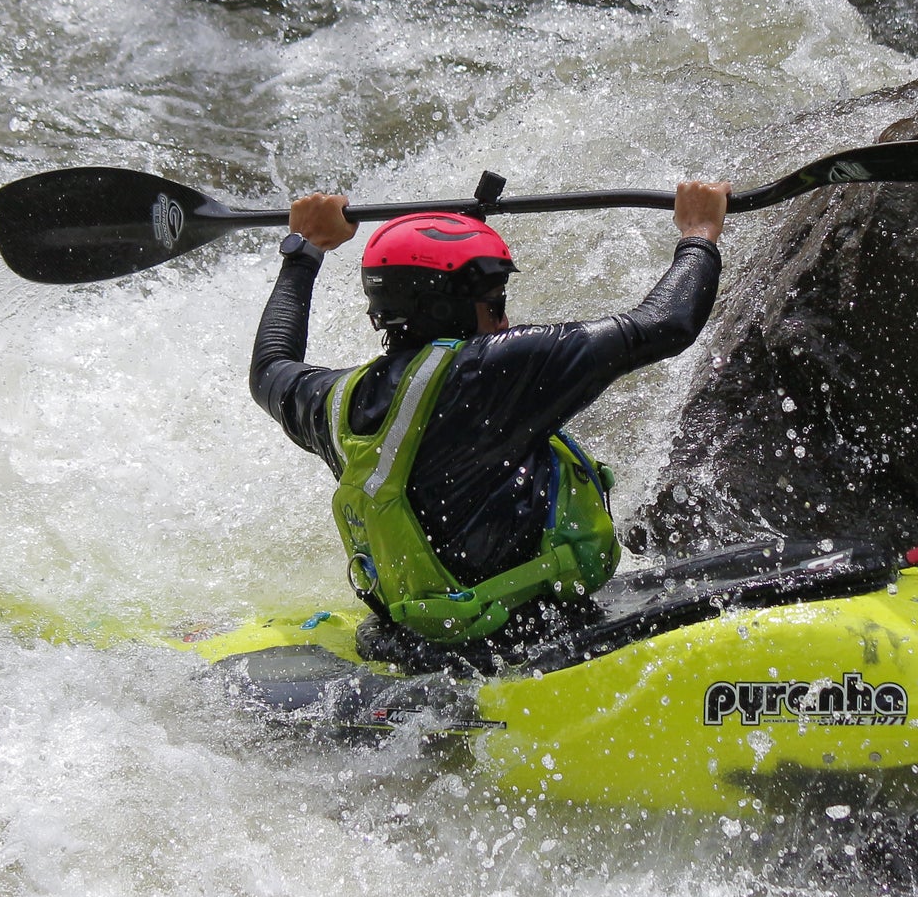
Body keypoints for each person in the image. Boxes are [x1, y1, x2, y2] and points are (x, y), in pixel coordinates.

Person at [249, 181, 731, 661]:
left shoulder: (334, 401)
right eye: (495, 303)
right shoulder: (491, 372)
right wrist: (700, 231)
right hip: (524, 644)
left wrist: (305, 249)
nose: (504, 321)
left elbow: (270, 366)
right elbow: (665, 324)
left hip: (418, 645)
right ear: (446, 309)